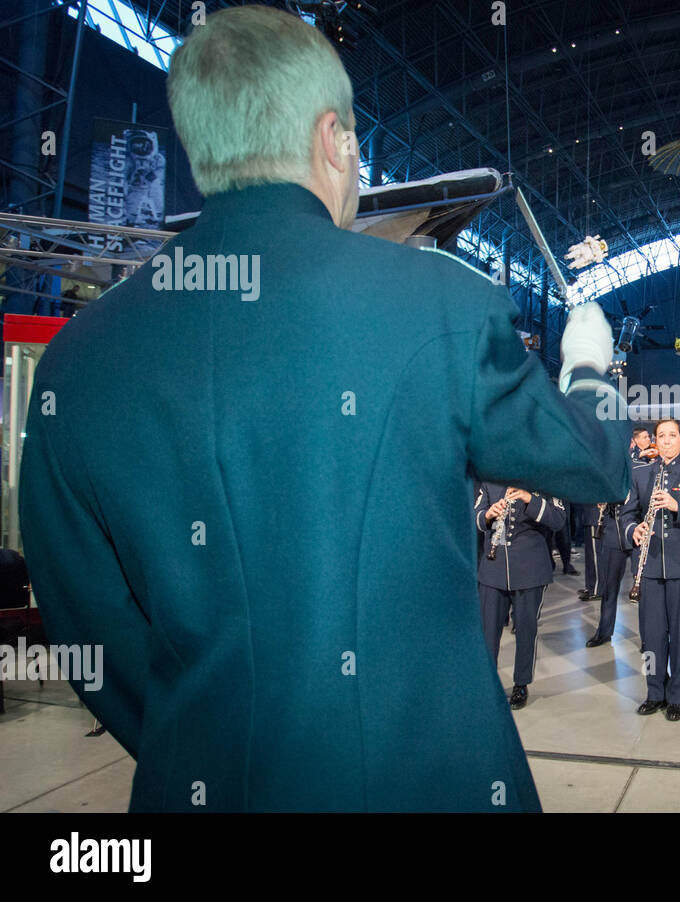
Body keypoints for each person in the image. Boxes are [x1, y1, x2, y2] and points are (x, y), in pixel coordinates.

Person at [16, 6, 629, 813]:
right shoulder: (438, 302)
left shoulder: (78, 359)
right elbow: (594, 462)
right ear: (334, 139)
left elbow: (91, 634)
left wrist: (209, 733)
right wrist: (590, 367)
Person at [618, 419, 680, 721]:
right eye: (662, 436)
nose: (667, 441)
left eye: (673, 435)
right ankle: (653, 691)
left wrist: (676, 506)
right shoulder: (640, 472)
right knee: (651, 635)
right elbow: (627, 512)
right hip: (648, 567)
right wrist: (633, 529)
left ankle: (676, 696)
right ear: (655, 441)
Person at [476, 485, 566, 709]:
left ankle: (521, 683)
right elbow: (474, 515)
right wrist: (487, 515)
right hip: (493, 567)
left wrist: (529, 499)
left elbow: (558, 519)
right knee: (487, 631)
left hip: (530, 567)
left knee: (526, 629)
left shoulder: (542, 476)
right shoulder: (489, 479)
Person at [586, 498, 631, 648]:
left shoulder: (644, 473)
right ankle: (604, 631)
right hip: (613, 531)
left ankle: (649, 637)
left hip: (639, 530)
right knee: (609, 587)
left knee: (645, 591)